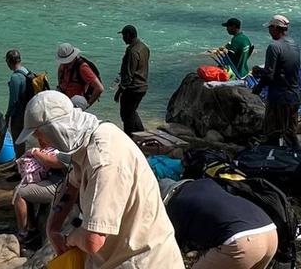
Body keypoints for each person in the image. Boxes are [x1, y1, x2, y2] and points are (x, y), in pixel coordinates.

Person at [17, 91, 185, 268]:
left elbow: (93, 241)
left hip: (143, 259)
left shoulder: (104, 159)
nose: (41, 144)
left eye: (39, 136)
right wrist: (53, 229)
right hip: (116, 256)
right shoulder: (84, 141)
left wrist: (69, 239)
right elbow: (71, 186)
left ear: (55, 129)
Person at [161, 178, 278, 269]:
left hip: (241, 240)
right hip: (270, 231)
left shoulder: (175, 203)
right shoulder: (207, 183)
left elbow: (170, 246)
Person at [252, 14, 301, 148]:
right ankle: (298, 154)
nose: (269, 31)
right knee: (290, 132)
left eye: (270, 28)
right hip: (294, 95)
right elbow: (285, 69)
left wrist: (258, 88)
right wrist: (262, 71)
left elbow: (269, 76)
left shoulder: (274, 47)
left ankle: (272, 156)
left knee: (273, 133)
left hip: (279, 98)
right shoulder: (294, 45)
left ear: (275, 28)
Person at [12, 139, 67, 242]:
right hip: (56, 182)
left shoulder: (64, 147)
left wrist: (35, 153)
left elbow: (55, 162)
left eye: (42, 139)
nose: (40, 142)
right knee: (24, 187)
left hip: (61, 186)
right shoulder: (56, 146)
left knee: (18, 192)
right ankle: (31, 227)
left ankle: (23, 232)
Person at [115, 25, 149, 134]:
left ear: (128, 35)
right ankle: (141, 134)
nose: (123, 38)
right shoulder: (144, 47)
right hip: (142, 87)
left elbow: (129, 75)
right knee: (132, 112)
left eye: (124, 36)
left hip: (133, 88)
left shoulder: (132, 51)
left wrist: (119, 91)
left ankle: (129, 137)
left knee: (126, 116)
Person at [6, 49, 35, 155]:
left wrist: (7, 115)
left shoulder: (15, 77)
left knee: (18, 141)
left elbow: (13, 101)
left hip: (19, 114)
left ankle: (19, 160)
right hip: (29, 111)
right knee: (25, 138)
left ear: (9, 61)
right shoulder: (26, 71)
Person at [55, 43, 104, 108]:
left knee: (76, 101)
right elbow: (60, 79)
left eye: (67, 62)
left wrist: (87, 105)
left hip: (76, 102)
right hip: (65, 98)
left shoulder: (83, 68)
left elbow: (99, 88)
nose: (65, 64)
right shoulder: (63, 66)